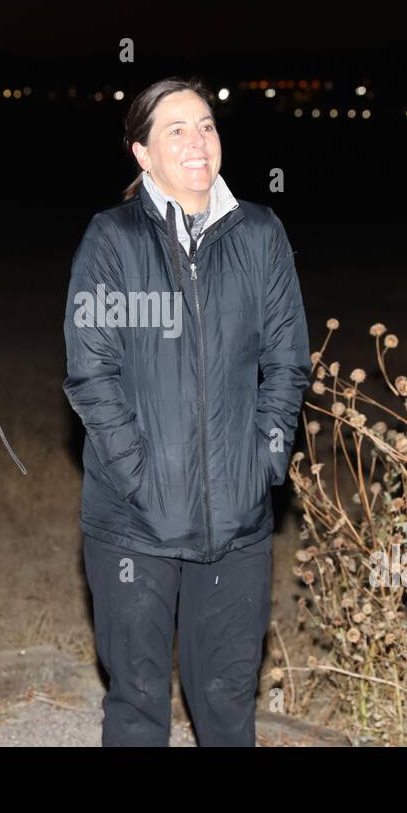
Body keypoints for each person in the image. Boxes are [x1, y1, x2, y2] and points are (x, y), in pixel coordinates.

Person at [63, 77, 311, 746]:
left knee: (228, 701)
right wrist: (140, 477)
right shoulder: (112, 239)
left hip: (238, 524)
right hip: (134, 526)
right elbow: (90, 372)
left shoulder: (259, 231)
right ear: (142, 153)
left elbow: (288, 361)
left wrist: (263, 461)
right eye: (175, 130)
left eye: (205, 125)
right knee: (138, 702)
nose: (197, 140)